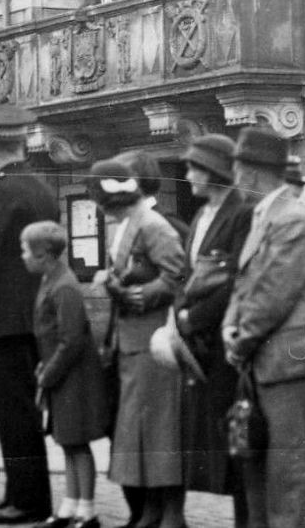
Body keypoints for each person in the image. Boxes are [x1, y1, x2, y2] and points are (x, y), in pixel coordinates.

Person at [222, 126, 305, 527]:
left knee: (292, 477)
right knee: (260, 476)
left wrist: (240, 337)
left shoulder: (294, 219)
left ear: (250, 171)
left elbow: (274, 292)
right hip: (264, 361)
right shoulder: (265, 215)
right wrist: (231, 326)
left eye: (237, 168)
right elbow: (244, 283)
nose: (234, 177)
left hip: (289, 364)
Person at [0, 105, 56, 524]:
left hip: (5, 315)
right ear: (22, 142)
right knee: (26, 409)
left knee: (13, 411)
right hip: (36, 310)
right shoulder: (41, 188)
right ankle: (19, 491)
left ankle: (28, 498)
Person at [90, 158, 188, 528]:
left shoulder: (152, 225)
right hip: (133, 342)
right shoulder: (129, 224)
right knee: (140, 431)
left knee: (161, 429)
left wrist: (140, 295)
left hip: (155, 343)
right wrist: (115, 285)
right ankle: (151, 511)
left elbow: (179, 275)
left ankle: (171, 514)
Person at [177, 134, 253, 524]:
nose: (188, 175)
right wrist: (181, 314)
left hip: (226, 343)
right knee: (219, 441)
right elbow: (187, 276)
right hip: (202, 348)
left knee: (238, 441)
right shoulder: (200, 217)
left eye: (195, 168)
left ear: (214, 171)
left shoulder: (242, 214)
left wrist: (195, 318)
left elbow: (237, 279)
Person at [24, 220, 109, 528]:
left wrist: (49, 372)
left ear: (43, 254)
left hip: (73, 377)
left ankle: (87, 511)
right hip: (62, 375)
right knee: (67, 441)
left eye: (25, 250)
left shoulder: (64, 286)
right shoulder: (53, 279)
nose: (22, 256)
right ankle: (69, 506)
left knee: (77, 441)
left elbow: (71, 339)